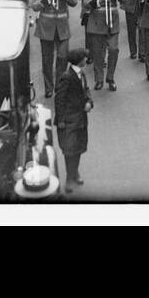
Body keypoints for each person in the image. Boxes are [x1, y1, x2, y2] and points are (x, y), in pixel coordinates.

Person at [54, 47, 93, 194]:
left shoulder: (81, 74)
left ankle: (75, 173)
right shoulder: (67, 77)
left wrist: (89, 101)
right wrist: (61, 120)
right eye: (84, 58)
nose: (86, 60)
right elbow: (59, 99)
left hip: (80, 119)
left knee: (78, 148)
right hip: (69, 121)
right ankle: (69, 179)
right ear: (79, 60)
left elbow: (86, 90)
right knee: (69, 151)